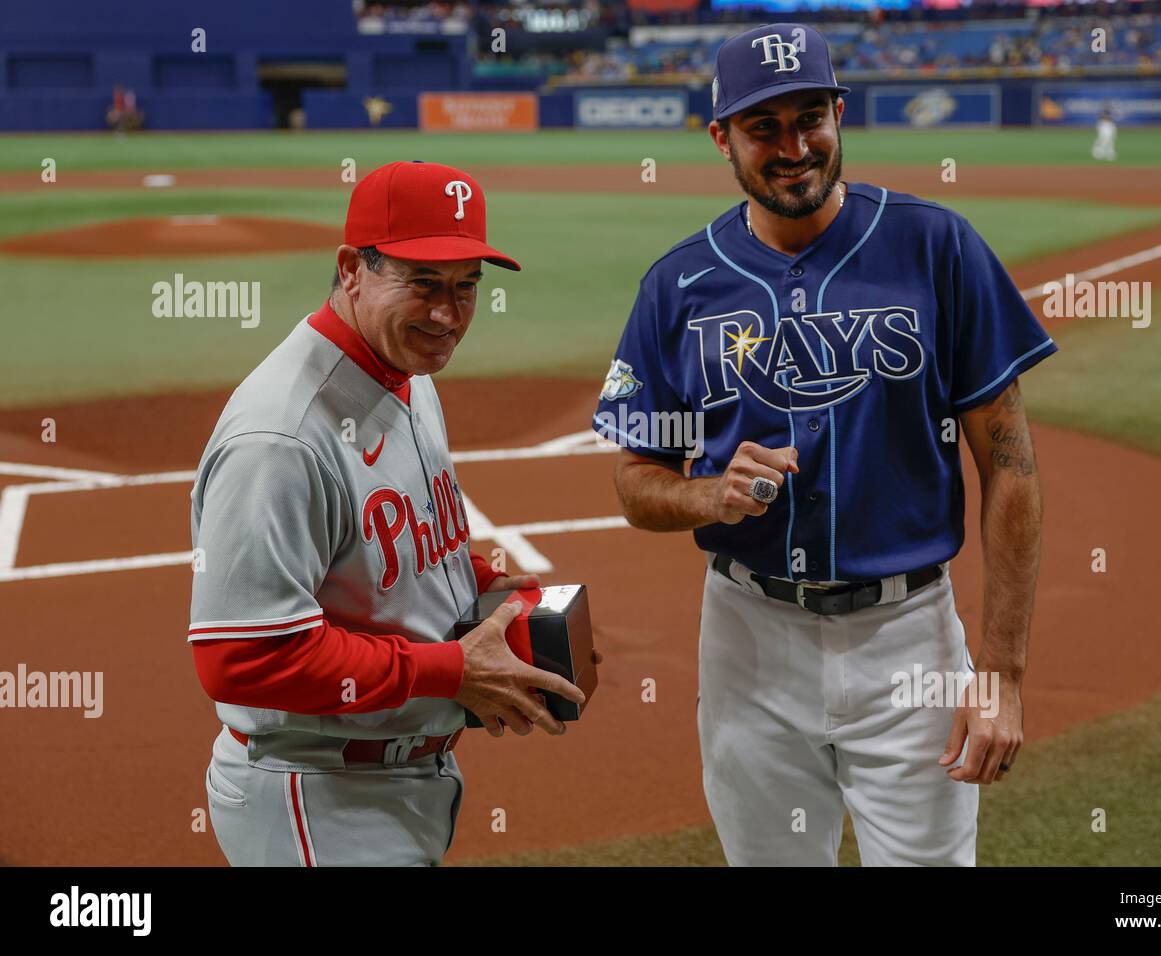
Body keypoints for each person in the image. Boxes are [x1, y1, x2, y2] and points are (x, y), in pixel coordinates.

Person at [593, 23, 1057, 866]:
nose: (793, 146)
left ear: (841, 113)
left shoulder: (935, 246)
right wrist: (707, 494)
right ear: (720, 139)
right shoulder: (678, 284)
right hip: (747, 641)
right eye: (763, 127)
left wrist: (1001, 676)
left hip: (909, 637)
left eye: (811, 116)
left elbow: (1012, 470)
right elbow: (635, 479)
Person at [189, 160, 586, 867]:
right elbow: (242, 656)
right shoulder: (280, 440)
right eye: (423, 283)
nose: (448, 315)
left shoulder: (401, 369)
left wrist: (509, 606)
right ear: (351, 269)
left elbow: (407, 552)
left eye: (467, 288)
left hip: (396, 779)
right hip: (320, 795)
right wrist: (449, 671)